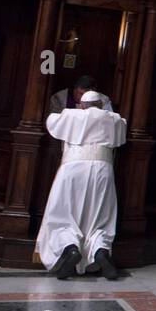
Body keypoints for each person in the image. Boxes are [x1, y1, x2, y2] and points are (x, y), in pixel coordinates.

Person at [36, 91, 127, 279]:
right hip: (103, 169)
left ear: (82, 105)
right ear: (101, 105)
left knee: (62, 214)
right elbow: (122, 131)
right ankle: (100, 252)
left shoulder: (71, 114)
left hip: (73, 168)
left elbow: (51, 120)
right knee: (99, 218)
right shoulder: (115, 119)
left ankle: (70, 249)